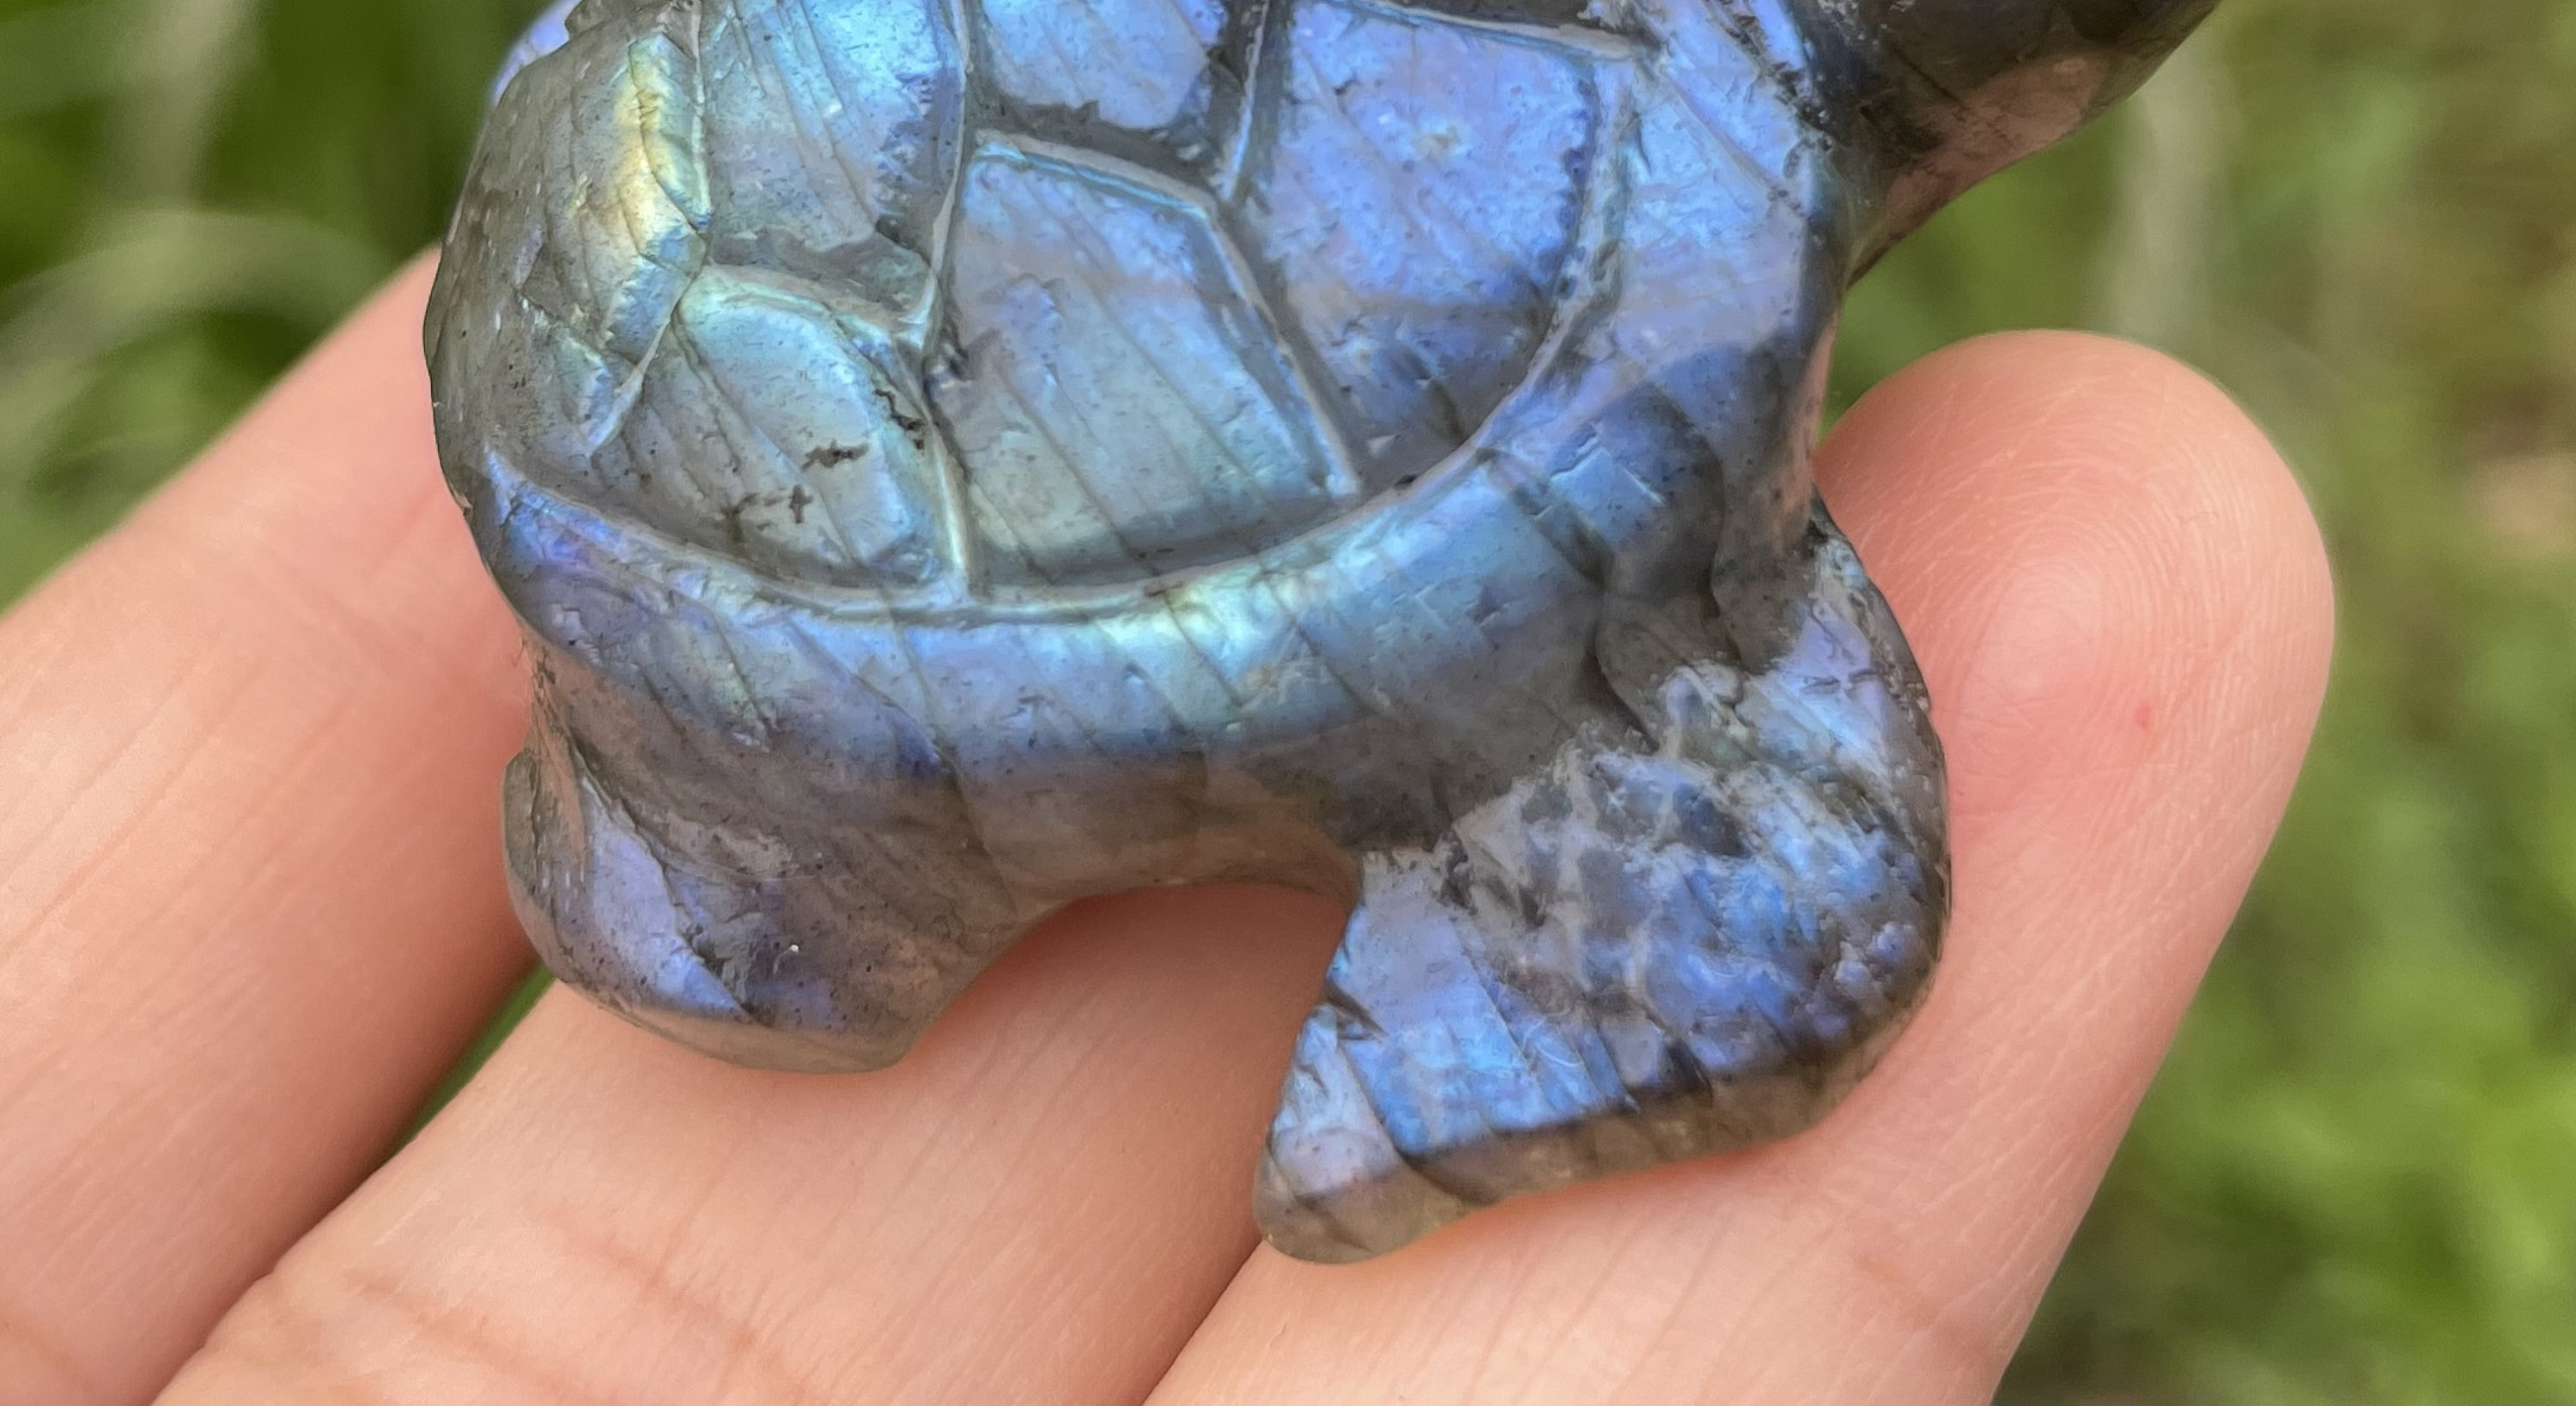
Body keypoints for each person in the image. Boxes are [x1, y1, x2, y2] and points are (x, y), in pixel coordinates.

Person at [0, 258, 2330, 1405]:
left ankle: (726, 854)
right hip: (841, 605)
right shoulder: (1687, 334)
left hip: (617, 278)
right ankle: (754, 869)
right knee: (1782, 894)